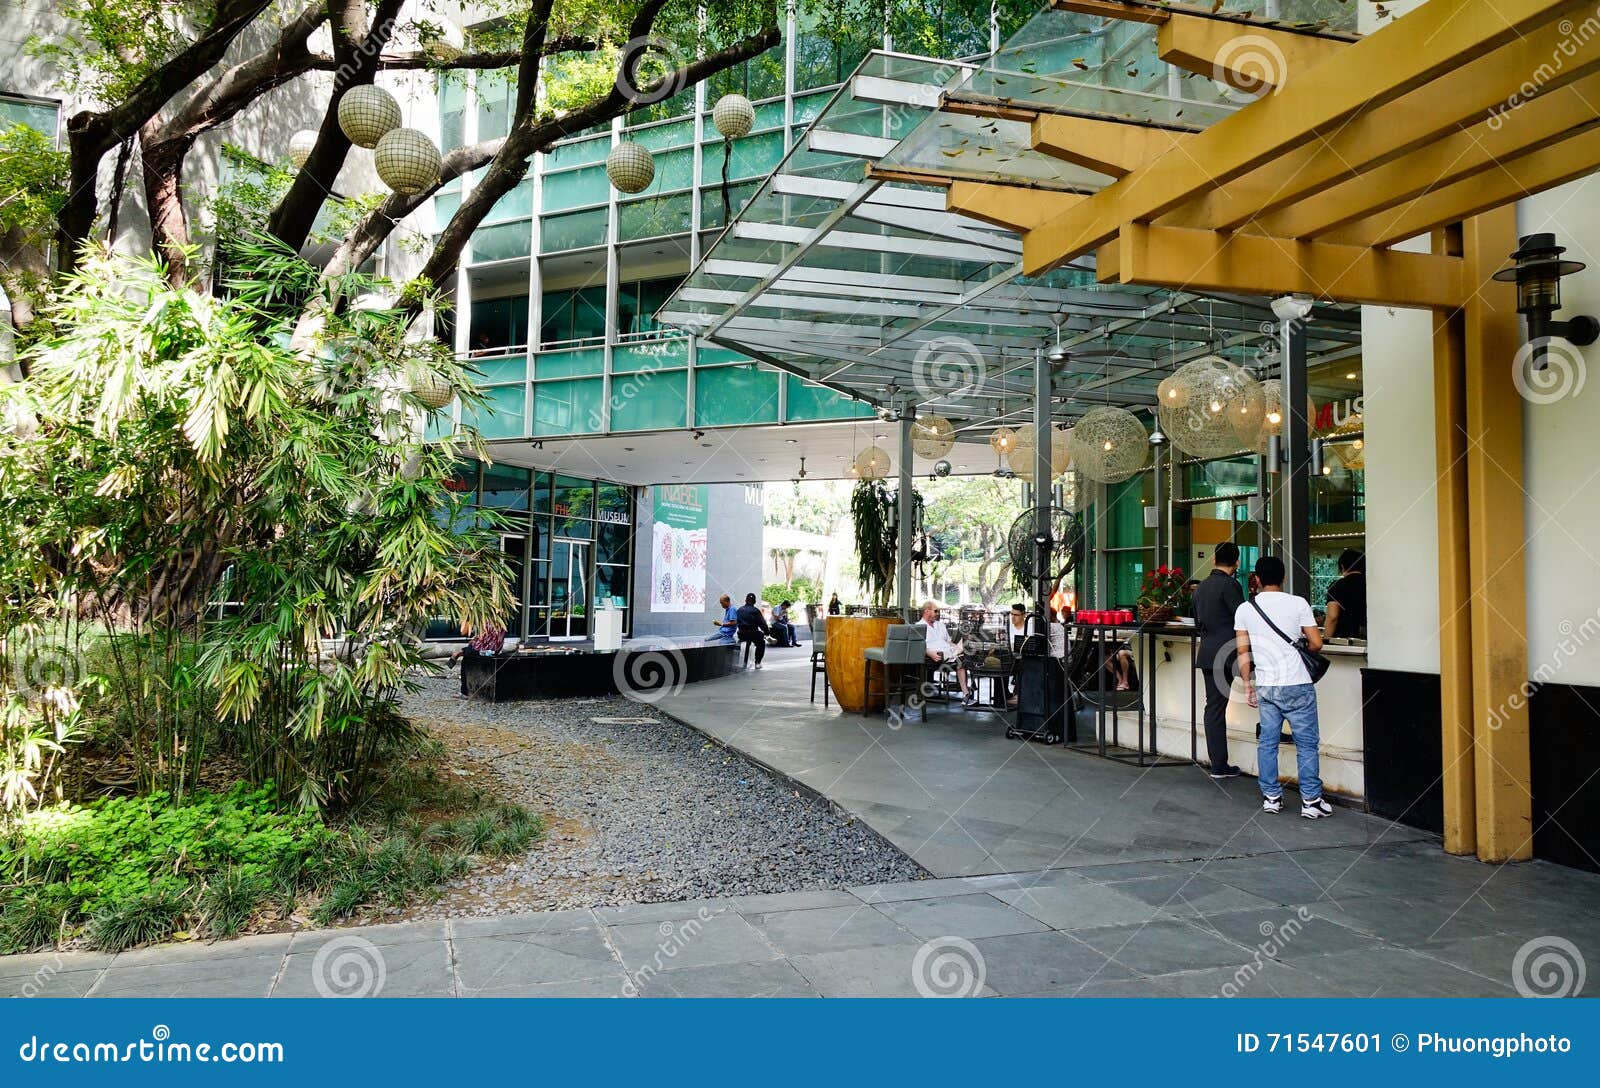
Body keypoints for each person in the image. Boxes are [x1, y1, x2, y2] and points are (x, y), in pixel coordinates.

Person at [1235, 555, 1333, 820]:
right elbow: (1316, 644)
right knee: (1306, 744)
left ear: (1256, 578)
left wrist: (1247, 685)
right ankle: (1311, 801)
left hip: (1267, 685)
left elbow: (1243, 651)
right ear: (1283, 577)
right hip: (1297, 683)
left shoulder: (1245, 609)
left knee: (1268, 743)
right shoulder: (1298, 603)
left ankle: (1271, 798)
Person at [1192, 542, 1246, 779]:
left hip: (1207, 652)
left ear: (1213, 560)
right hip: (1229, 653)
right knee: (1260, 698)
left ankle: (1218, 762)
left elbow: (1196, 622)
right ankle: (1219, 764)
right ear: (1237, 562)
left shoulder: (1201, 587)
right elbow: (1242, 619)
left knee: (1213, 707)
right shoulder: (1231, 586)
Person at [918, 601, 975, 707]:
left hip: (949, 652)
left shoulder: (940, 625)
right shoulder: (918, 626)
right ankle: (969, 688)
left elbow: (949, 642)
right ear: (926, 611)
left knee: (965, 650)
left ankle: (966, 693)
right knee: (963, 656)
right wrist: (928, 652)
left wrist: (956, 647)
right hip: (935, 655)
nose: (937, 613)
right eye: (935, 611)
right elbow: (916, 645)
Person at [450, 622, 506, 697]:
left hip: (488, 650)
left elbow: (463, 632)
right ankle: (458, 653)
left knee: (466, 657)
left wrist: (473, 641)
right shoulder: (501, 620)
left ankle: (465, 692)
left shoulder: (486, 621)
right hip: (494, 649)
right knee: (468, 651)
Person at [1322, 548, 1367, 641]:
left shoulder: (1337, 586)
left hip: (1343, 640)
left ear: (1342, 566)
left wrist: (1326, 640)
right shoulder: (1371, 585)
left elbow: (1332, 616)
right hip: (1369, 638)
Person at [736, 592, 770, 669]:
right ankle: (757, 663)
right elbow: (762, 623)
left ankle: (742, 662)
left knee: (744, 642)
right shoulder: (755, 611)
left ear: (745, 600)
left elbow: (736, 622)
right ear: (754, 601)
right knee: (761, 643)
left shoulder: (739, 610)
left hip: (742, 633)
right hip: (753, 633)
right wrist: (767, 632)